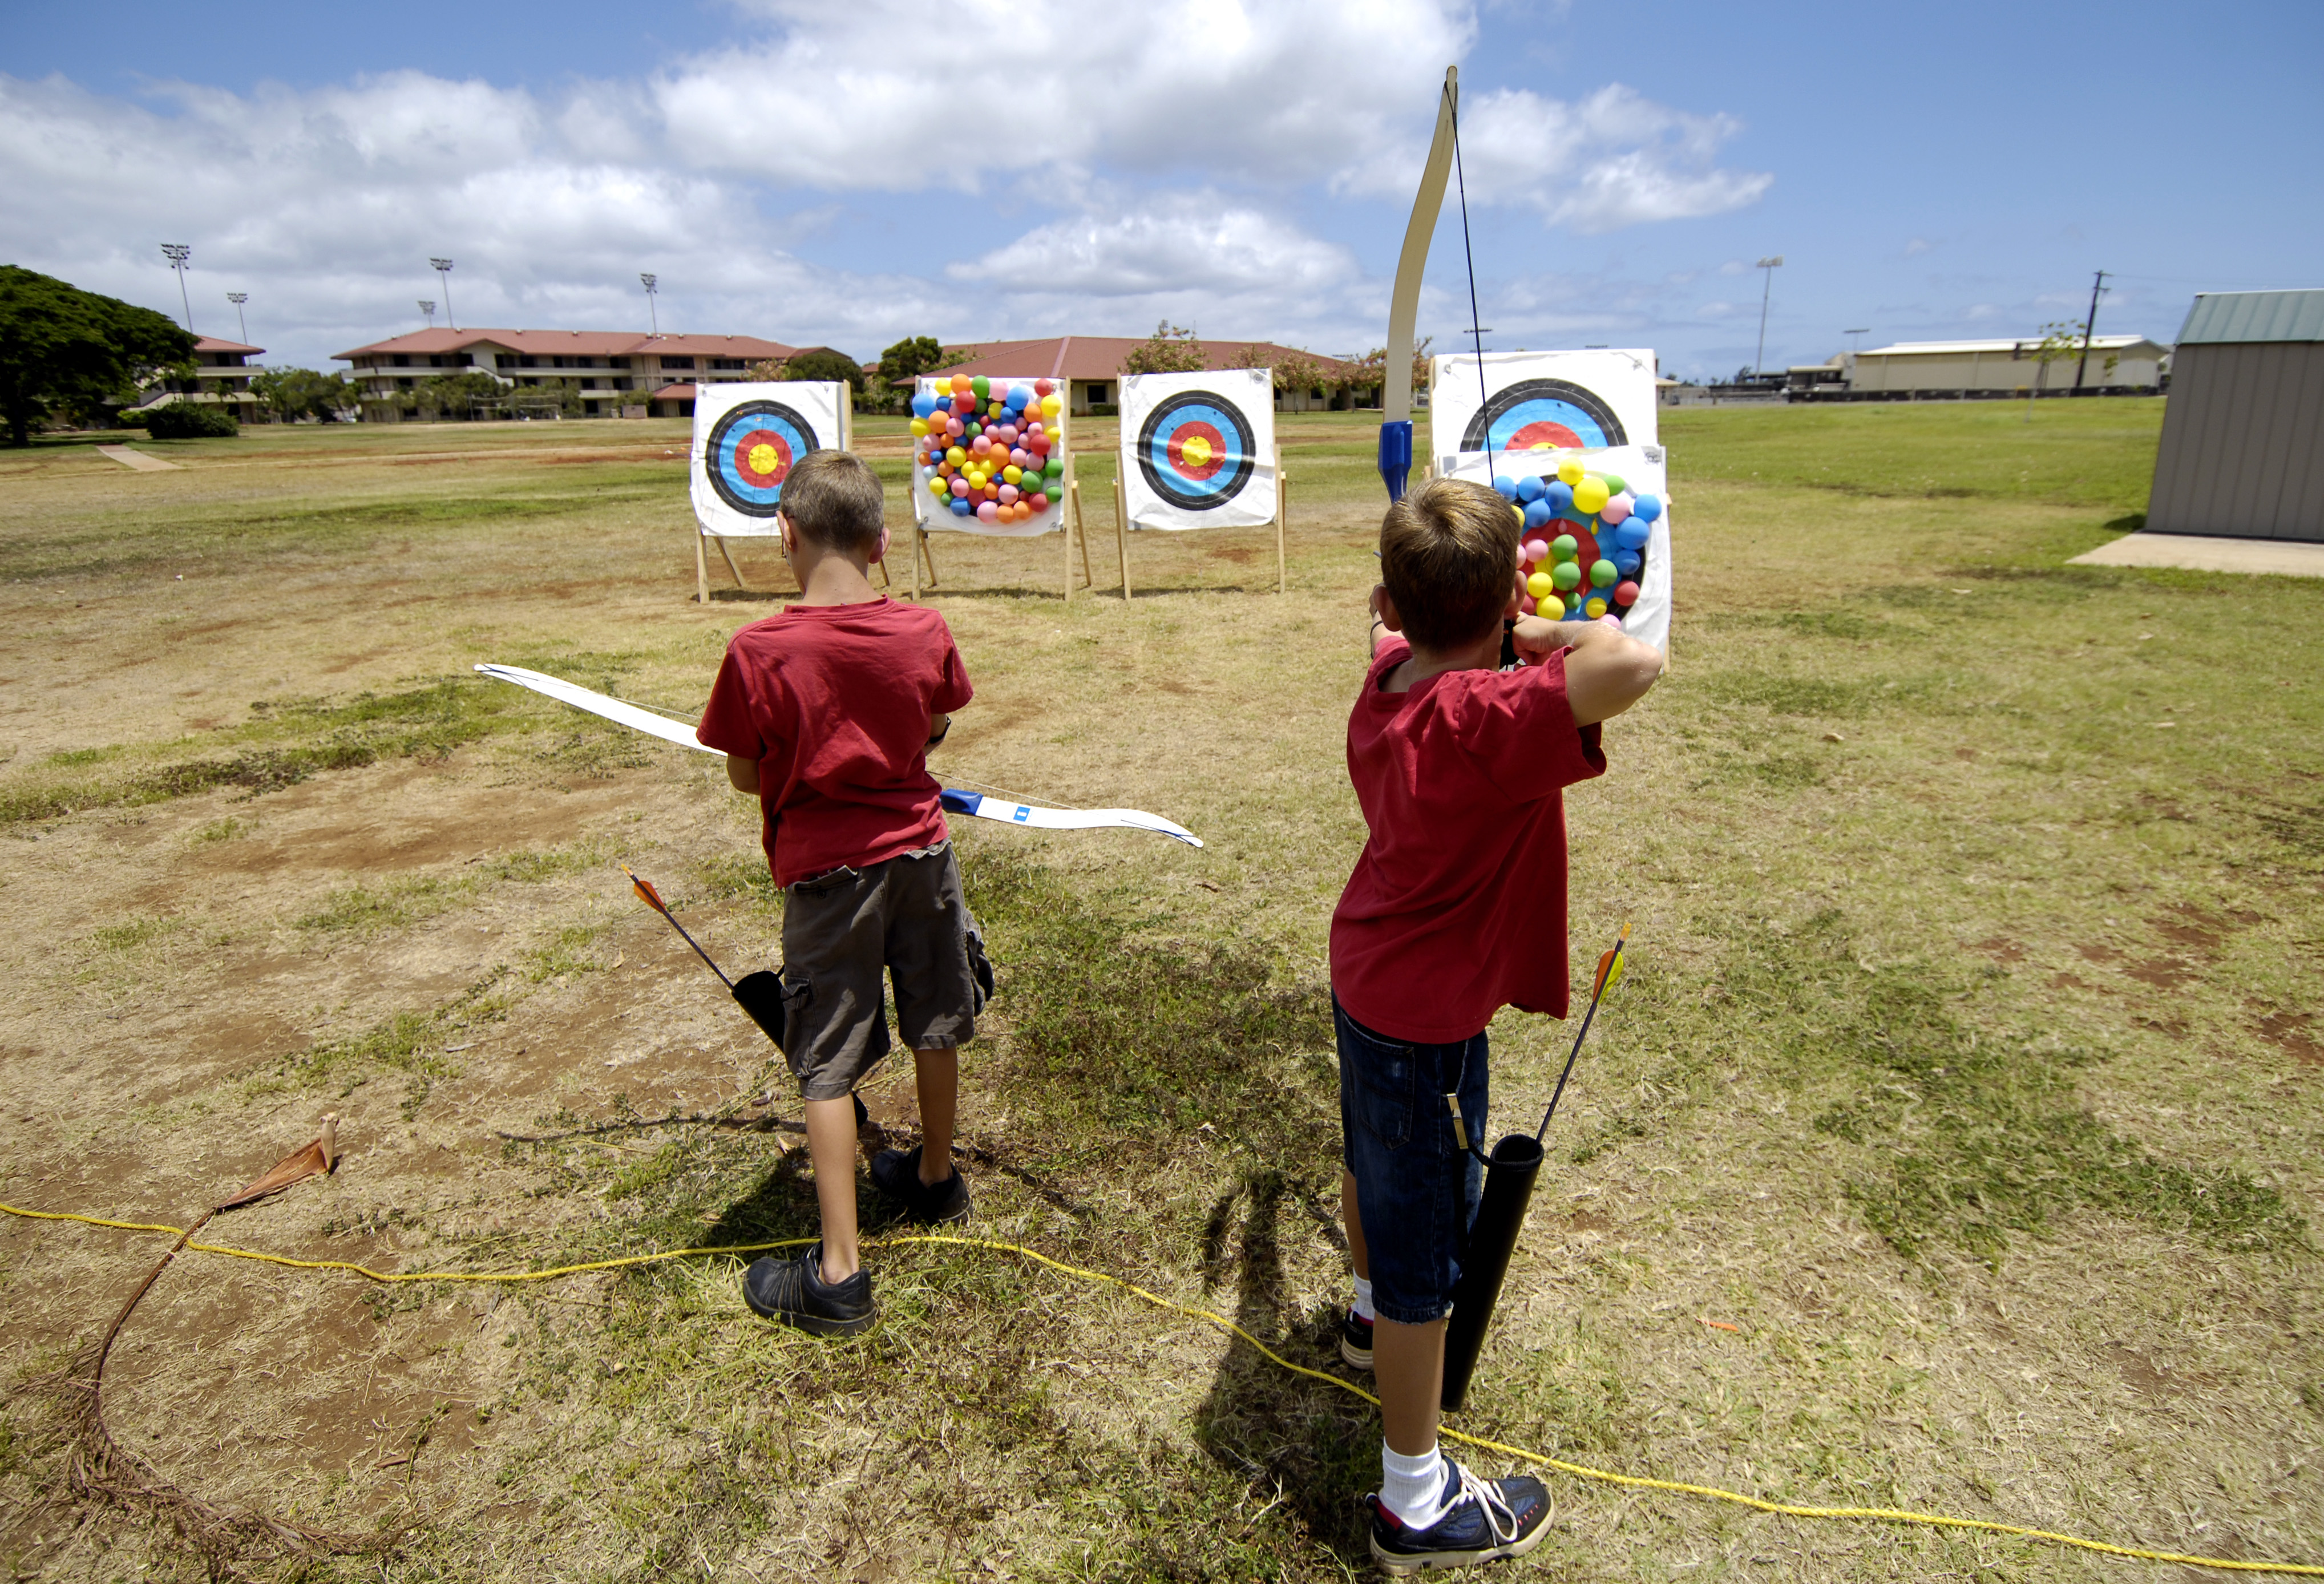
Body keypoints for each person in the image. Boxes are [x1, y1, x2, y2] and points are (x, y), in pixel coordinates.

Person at [1331, 476, 1664, 1571]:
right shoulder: (1485, 715)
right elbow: (1630, 658)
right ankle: (1413, 1501)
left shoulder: (1387, 678)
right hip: (1421, 1014)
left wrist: (1457, 616)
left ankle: (1371, 1316)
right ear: (1507, 593)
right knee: (1428, 1237)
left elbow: (1392, 631)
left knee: (1377, 1162)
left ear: (1390, 602)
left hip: (1372, 977)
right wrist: (1528, 622)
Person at [696, 449, 984, 1337]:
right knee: (934, 1014)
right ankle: (935, 1177)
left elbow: (747, 776)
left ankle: (840, 1274)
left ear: (784, 531)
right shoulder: (924, 628)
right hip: (922, 855)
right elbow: (933, 722)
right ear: (882, 542)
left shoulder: (757, 650)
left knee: (826, 1058)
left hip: (828, 877)